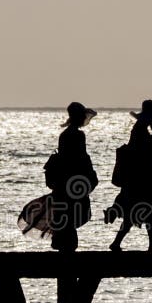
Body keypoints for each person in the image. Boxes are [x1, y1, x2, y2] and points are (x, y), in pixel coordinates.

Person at [105, 99, 152, 251]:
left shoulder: (140, 129)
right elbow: (145, 154)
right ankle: (151, 244)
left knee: (136, 214)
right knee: (150, 213)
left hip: (139, 179)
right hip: (141, 179)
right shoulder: (140, 131)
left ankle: (119, 242)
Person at [47, 102, 98, 252]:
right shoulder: (77, 135)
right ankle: (68, 254)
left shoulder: (65, 134)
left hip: (63, 183)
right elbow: (81, 158)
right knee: (72, 217)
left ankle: (64, 253)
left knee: (65, 218)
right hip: (73, 182)